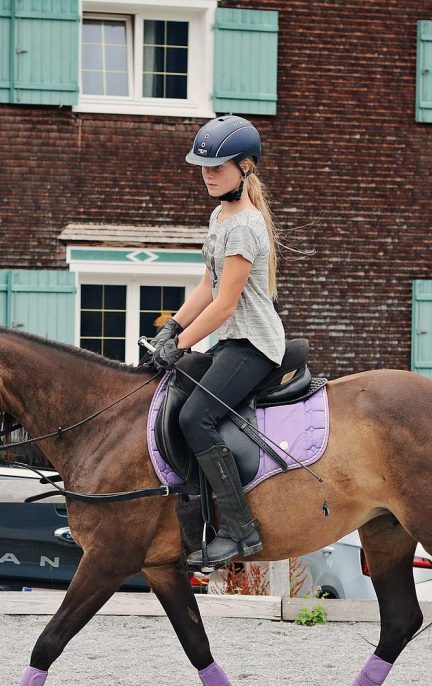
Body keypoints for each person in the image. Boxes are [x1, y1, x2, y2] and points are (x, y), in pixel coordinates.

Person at [150, 115, 286, 566]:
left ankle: (241, 530)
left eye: (217, 167)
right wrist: (172, 328)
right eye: (203, 167)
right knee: (166, 395)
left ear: (245, 167)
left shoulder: (245, 225)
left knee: (195, 418)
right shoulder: (219, 215)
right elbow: (207, 287)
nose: (208, 175)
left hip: (253, 345)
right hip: (227, 342)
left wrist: (183, 342)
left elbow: (226, 304)